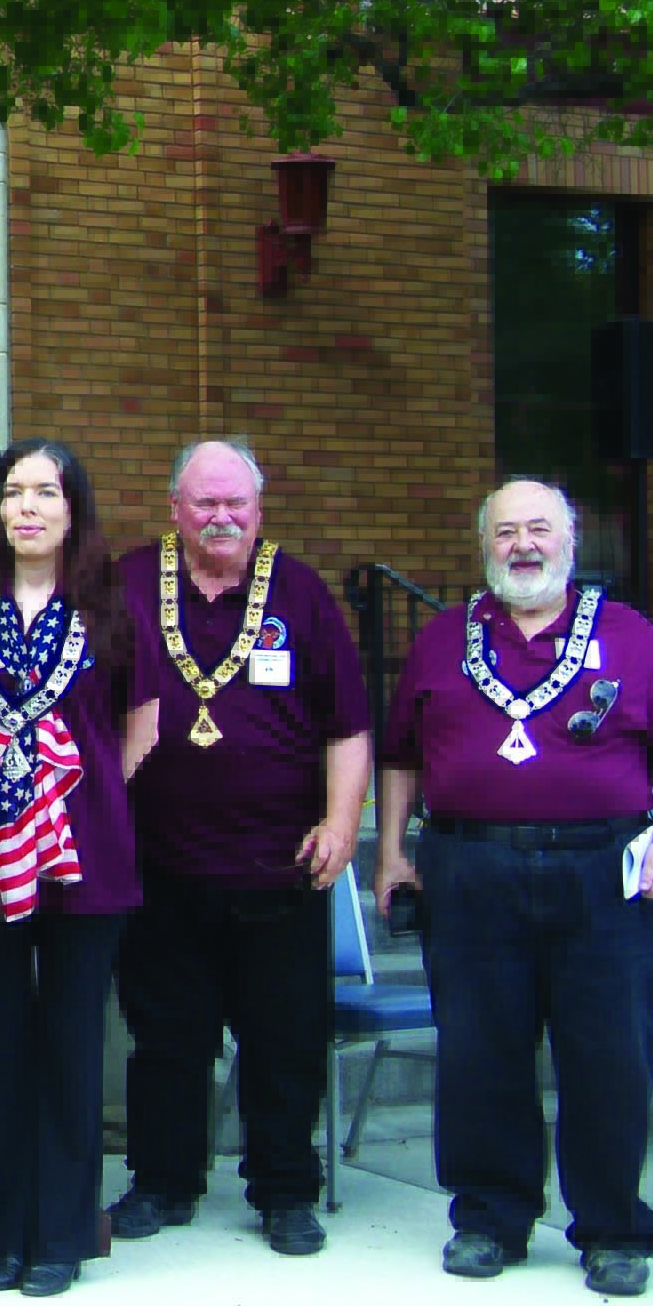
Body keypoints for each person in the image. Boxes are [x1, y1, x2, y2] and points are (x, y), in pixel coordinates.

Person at [374, 479, 653, 1299]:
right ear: (484, 544)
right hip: (469, 870)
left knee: (608, 1057)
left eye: (538, 529)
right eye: (505, 531)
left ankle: (613, 1230)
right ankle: (489, 1218)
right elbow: (400, 756)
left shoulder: (631, 638)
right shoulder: (441, 639)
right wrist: (391, 853)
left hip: (604, 875)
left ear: (569, 539)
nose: (522, 545)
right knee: (478, 1052)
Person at [109, 440, 370, 1256]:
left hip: (279, 864)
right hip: (155, 861)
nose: (220, 517)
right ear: (174, 508)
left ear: (258, 509)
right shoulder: (124, 584)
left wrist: (341, 824)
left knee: (282, 1040)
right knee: (166, 1038)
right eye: (204, 503)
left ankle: (285, 1192)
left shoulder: (300, 592)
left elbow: (349, 726)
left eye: (235, 504)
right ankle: (162, 1182)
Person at [0, 438, 156, 1299]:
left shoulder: (111, 607)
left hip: (84, 857)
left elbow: (142, 722)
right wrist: (14, 799)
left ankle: (60, 1233)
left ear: (72, 509)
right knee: (3, 1042)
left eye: (46, 492)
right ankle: (5, 1234)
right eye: (13, 491)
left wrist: (79, 794)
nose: (27, 507)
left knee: (68, 1044)